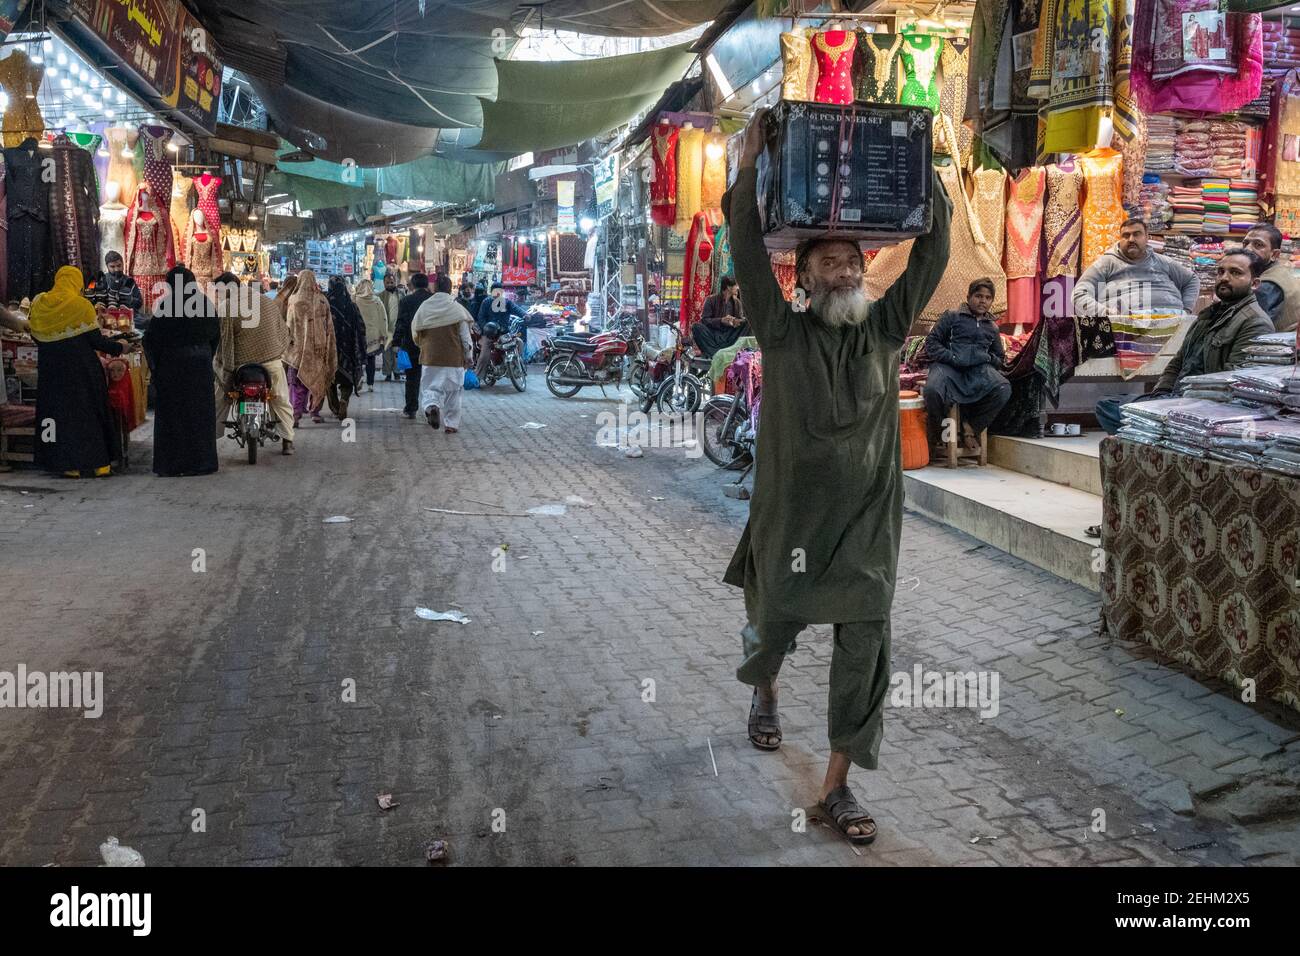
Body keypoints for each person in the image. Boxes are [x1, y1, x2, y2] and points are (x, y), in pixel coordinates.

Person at [721, 107, 951, 845]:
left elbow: (934, 253)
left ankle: (837, 789)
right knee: (775, 622)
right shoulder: (781, 331)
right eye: (830, 261)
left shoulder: (885, 329)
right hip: (791, 519)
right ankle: (765, 695)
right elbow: (747, 248)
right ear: (806, 275)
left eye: (853, 259)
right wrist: (751, 166)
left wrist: (928, 169)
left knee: (865, 651)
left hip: (868, 526)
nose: (846, 268)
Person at [1094, 249, 1277, 434]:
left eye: (1235, 272)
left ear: (1254, 283)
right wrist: (1161, 395)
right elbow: (1178, 361)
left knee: (1120, 413)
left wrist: (1183, 401)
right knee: (1108, 405)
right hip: (1178, 398)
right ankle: (1153, 431)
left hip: (1207, 406)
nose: (1224, 278)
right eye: (1221, 271)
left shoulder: (1254, 322)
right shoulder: (1209, 315)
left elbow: (1234, 382)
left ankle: (1157, 432)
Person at [29, 266, 124, 478]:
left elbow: (35, 336)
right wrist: (120, 347)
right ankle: (100, 464)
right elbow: (96, 341)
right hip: (83, 373)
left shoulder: (40, 304)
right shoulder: (81, 306)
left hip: (52, 374)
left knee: (56, 418)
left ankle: (65, 465)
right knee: (89, 414)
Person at [143, 266, 221, 477]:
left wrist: (157, 368)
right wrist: (206, 356)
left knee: (173, 415)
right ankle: (201, 463)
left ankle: (172, 464)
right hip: (199, 367)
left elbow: (151, 340)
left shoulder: (166, 305)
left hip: (173, 368)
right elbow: (215, 334)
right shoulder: (204, 303)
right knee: (198, 414)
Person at [922, 278, 1011, 454]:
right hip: (948, 367)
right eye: (978, 296)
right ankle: (939, 432)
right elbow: (931, 343)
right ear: (969, 296)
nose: (983, 301)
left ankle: (971, 428)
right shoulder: (952, 316)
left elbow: (999, 357)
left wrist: (985, 357)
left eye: (987, 297)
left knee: (1003, 388)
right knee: (932, 390)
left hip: (977, 371)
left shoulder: (992, 327)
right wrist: (952, 357)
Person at [212, 271, 295, 455]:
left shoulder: (227, 307)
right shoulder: (265, 301)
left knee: (220, 396)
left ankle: (210, 437)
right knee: (281, 398)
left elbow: (226, 342)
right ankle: (288, 440)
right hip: (270, 360)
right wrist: (275, 351)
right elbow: (281, 330)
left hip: (241, 365)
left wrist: (225, 369)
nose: (218, 295)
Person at [1073, 218, 1200, 318]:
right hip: (1126, 328)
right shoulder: (1106, 263)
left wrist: (1186, 310)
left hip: (1174, 320)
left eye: (1137, 234)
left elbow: (1192, 280)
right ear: (1120, 239)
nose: (1131, 239)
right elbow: (1078, 294)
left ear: (1146, 237)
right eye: (1126, 235)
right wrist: (1106, 314)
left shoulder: (1163, 261)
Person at [412, 273, 473, 433]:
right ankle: (451, 425)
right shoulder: (457, 309)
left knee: (430, 388)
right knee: (454, 392)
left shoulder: (425, 307)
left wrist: (422, 345)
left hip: (430, 356)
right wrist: (469, 356)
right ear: (449, 288)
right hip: (453, 358)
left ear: (434, 288)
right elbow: (465, 337)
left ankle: (432, 407)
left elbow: (415, 330)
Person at [284, 270, 336, 426]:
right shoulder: (321, 300)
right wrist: (328, 344)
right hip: (317, 350)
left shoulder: (293, 300)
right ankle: (314, 412)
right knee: (317, 381)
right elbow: (329, 327)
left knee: (296, 384)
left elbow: (289, 326)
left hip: (296, 351)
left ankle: (295, 415)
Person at [1242, 223, 1299, 333]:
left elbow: (1252, 328)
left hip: (1281, 345)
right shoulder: (1279, 270)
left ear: (1274, 255)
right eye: (1245, 243)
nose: (1248, 249)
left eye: (1258, 245)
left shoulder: (1267, 284)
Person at [325, 275, 367, 422]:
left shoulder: (325, 305)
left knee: (329, 380)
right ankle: (344, 399)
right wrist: (361, 348)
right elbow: (361, 327)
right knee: (347, 380)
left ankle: (335, 407)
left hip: (329, 350)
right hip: (348, 350)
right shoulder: (351, 305)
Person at [392, 272, 432, 418]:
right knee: (430, 378)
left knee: (412, 378)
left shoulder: (406, 301)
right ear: (427, 285)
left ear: (412, 285)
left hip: (411, 344)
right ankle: (431, 407)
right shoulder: (432, 300)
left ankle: (411, 409)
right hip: (431, 345)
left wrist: (396, 342)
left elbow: (401, 323)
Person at [474, 283, 528, 382]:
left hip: (504, 333)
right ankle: (478, 377)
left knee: (519, 342)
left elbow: (517, 309)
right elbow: (481, 317)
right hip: (490, 333)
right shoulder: (486, 302)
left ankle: (515, 368)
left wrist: (525, 315)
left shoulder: (507, 302)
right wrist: (486, 328)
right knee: (484, 355)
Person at [692, 276, 748, 358]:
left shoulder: (737, 303)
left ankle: (729, 351)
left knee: (748, 323)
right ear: (728, 287)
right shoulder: (711, 300)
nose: (738, 288)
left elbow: (740, 319)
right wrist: (721, 320)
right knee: (696, 327)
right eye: (736, 286)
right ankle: (716, 353)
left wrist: (736, 321)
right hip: (714, 336)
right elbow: (704, 320)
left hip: (730, 336)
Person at [85, 251, 144, 323]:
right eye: (112, 267)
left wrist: (125, 301)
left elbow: (139, 302)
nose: (116, 269)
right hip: (105, 316)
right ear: (107, 266)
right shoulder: (101, 280)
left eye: (119, 266)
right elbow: (93, 301)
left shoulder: (129, 281)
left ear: (123, 264)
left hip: (126, 316)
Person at [353, 278, 389, 391]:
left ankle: (358, 380)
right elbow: (383, 318)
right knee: (370, 359)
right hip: (373, 335)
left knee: (357, 359)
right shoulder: (376, 300)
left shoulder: (354, 299)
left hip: (358, 334)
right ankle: (370, 384)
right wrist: (384, 334)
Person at [378, 269, 403, 382]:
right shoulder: (380, 296)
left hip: (398, 328)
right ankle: (388, 373)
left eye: (392, 282)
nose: (390, 284)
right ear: (384, 283)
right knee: (386, 353)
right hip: (386, 329)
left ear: (395, 282)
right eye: (387, 283)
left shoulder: (401, 295)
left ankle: (397, 373)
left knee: (396, 353)